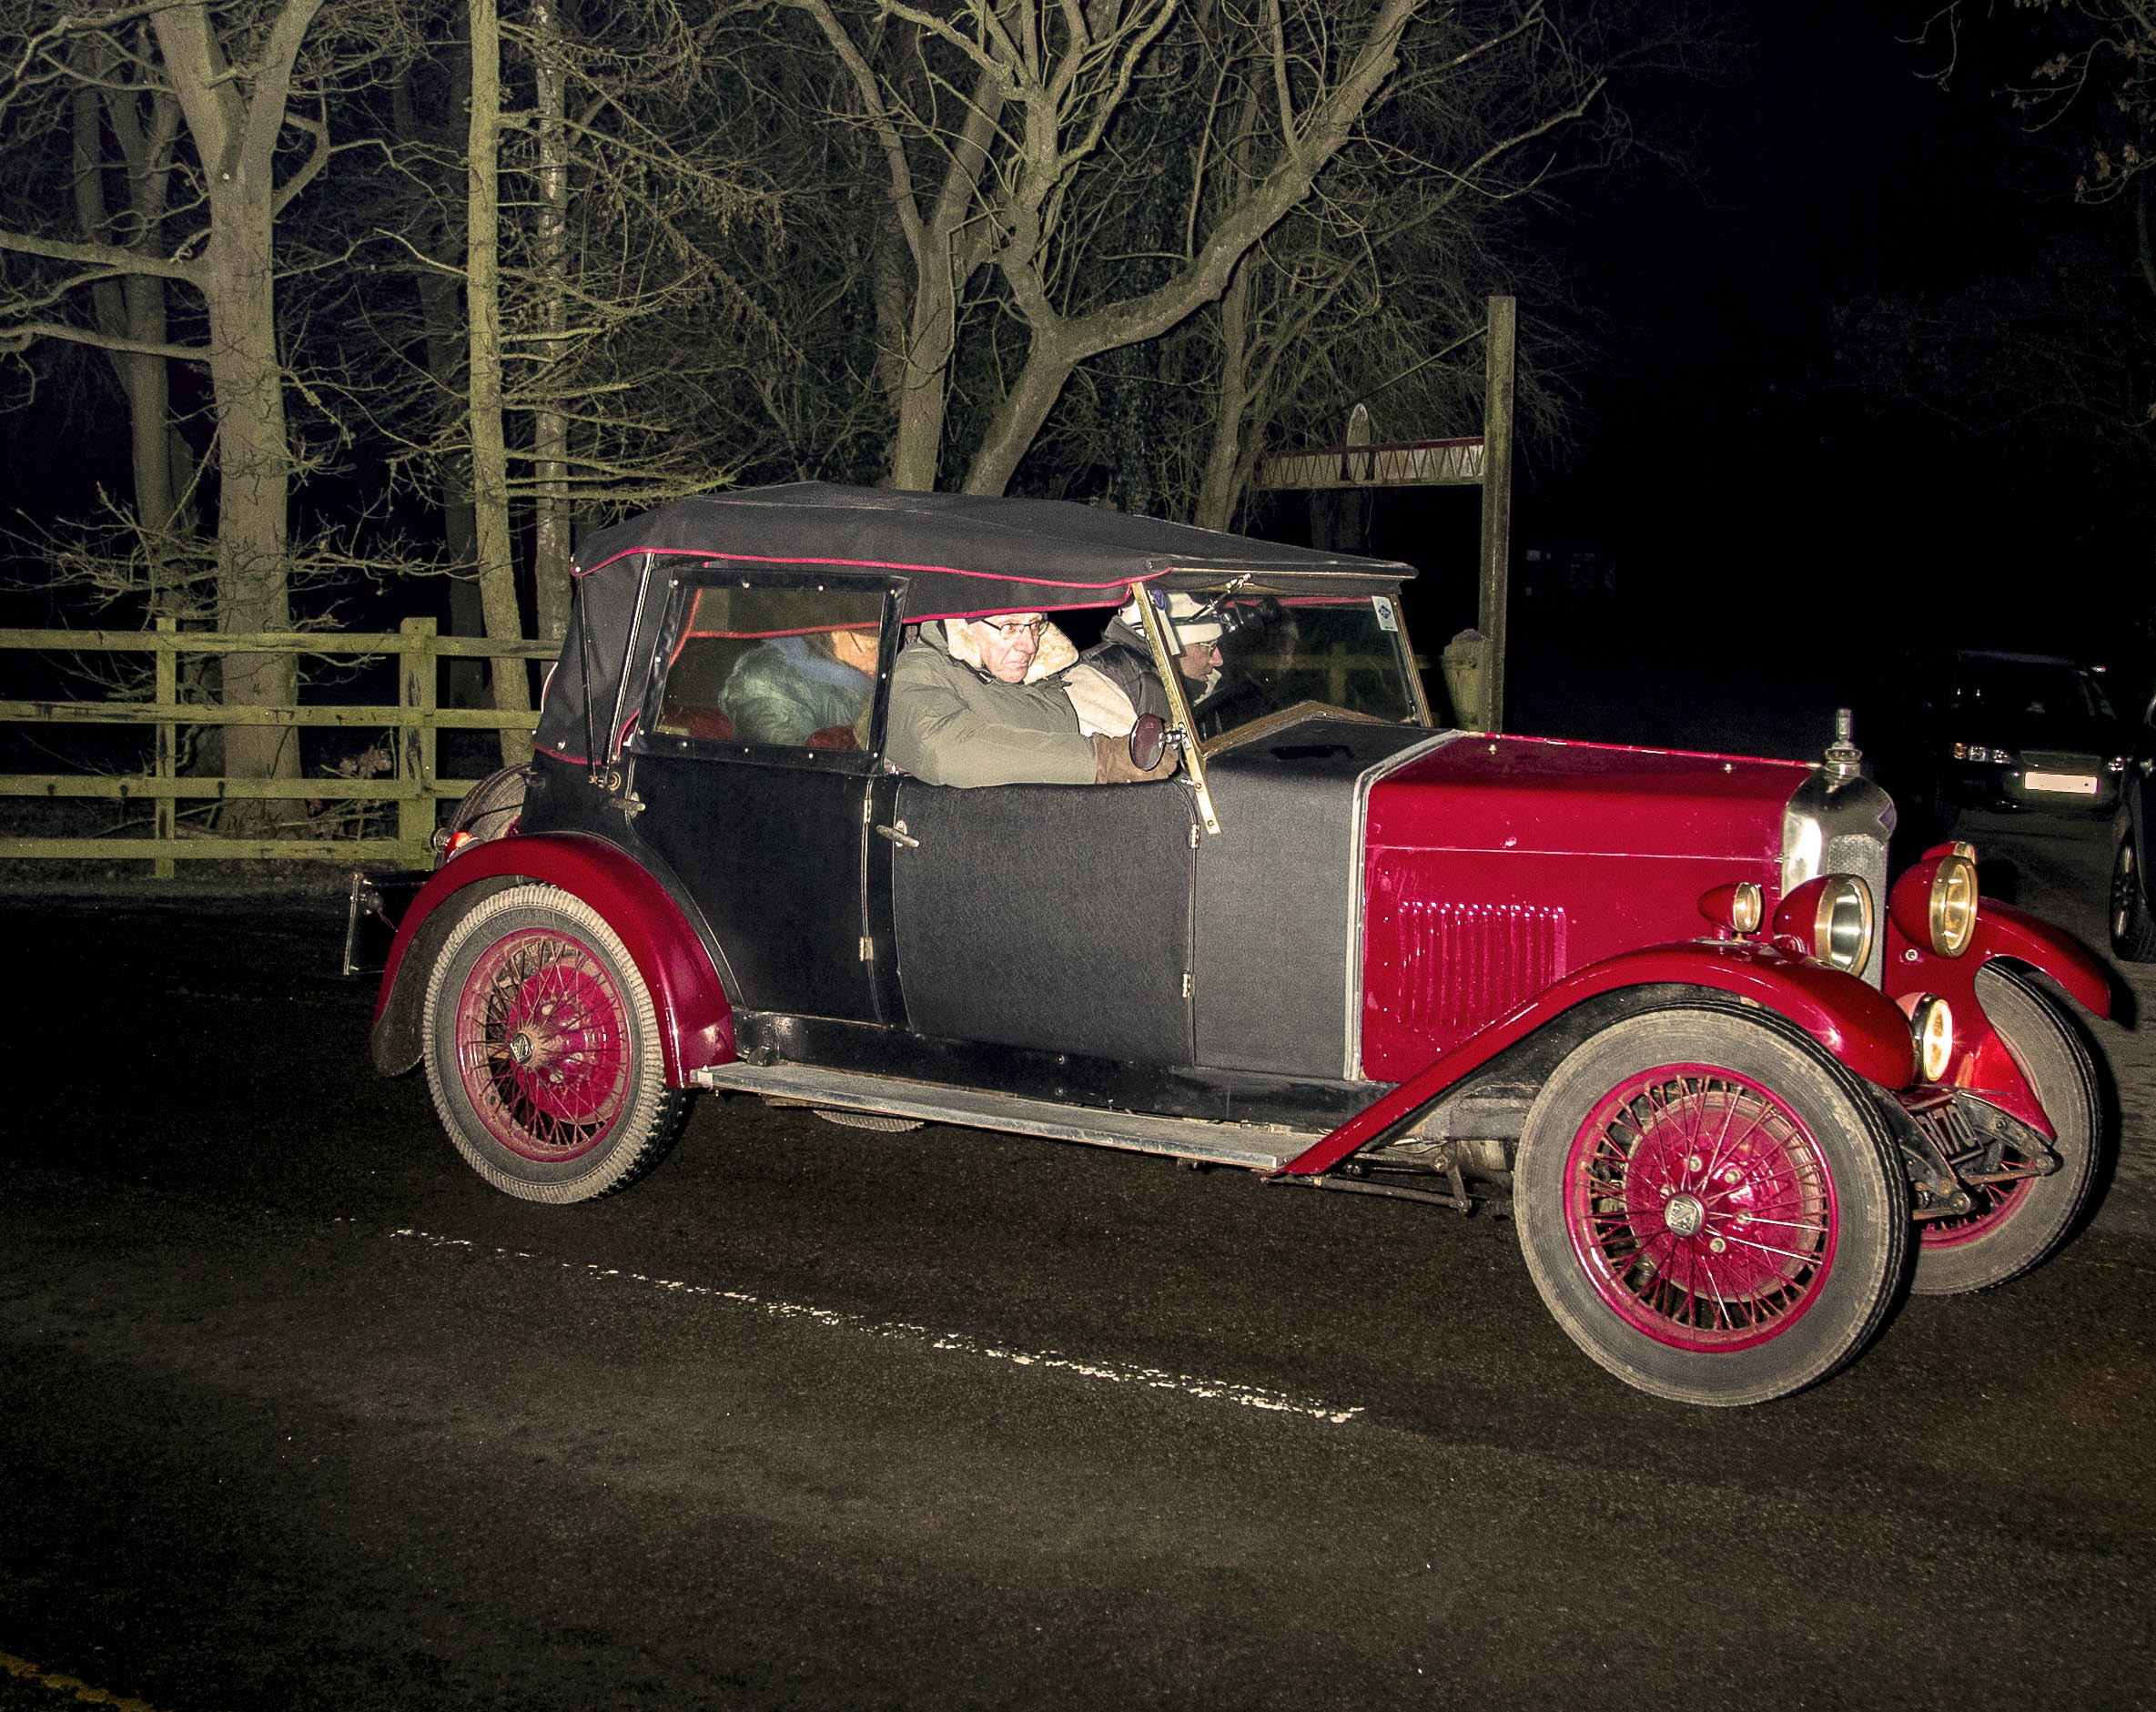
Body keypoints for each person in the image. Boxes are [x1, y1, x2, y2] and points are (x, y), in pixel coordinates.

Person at [886, 612, 1180, 787]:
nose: (1028, 645)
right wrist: (1101, 759)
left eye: (1035, 625)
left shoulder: (1040, 678)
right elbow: (945, 749)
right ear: (962, 625)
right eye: (1010, 627)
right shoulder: (917, 671)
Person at [1061, 592, 1224, 740]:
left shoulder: (1201, 680)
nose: (1218, 660)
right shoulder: (1097, 682)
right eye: (1209, 648)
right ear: (1172, 646)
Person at [722, 624, 878, 748]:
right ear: (836, 632)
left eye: (884, 647)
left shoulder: (862, 674)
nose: (877, 660)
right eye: (871, 647)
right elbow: (794, 768)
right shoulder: (766, 681)